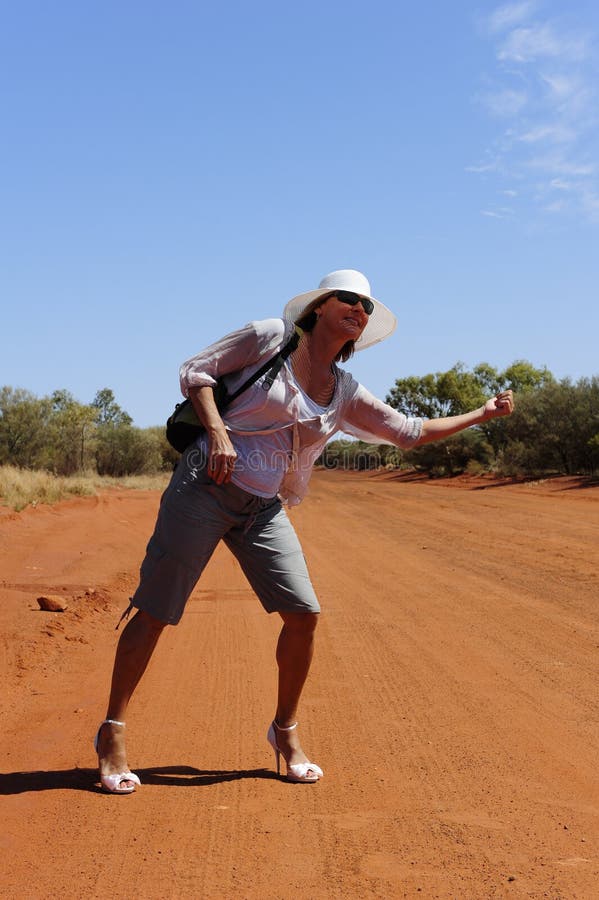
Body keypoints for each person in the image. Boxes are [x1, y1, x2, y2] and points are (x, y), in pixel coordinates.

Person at [94, 268, 514, 793]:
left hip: (263, 508)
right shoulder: (270, 337)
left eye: (366, 305)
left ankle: (284, 731)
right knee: (157, 611)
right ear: (319, 307)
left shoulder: (344, 391)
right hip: (204, 487)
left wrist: (482, 413)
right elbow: (196, 372)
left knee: (303, 614)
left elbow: (410, 434)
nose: (359, 309)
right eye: (349, 299)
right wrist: (219, 433)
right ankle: (112, 731)